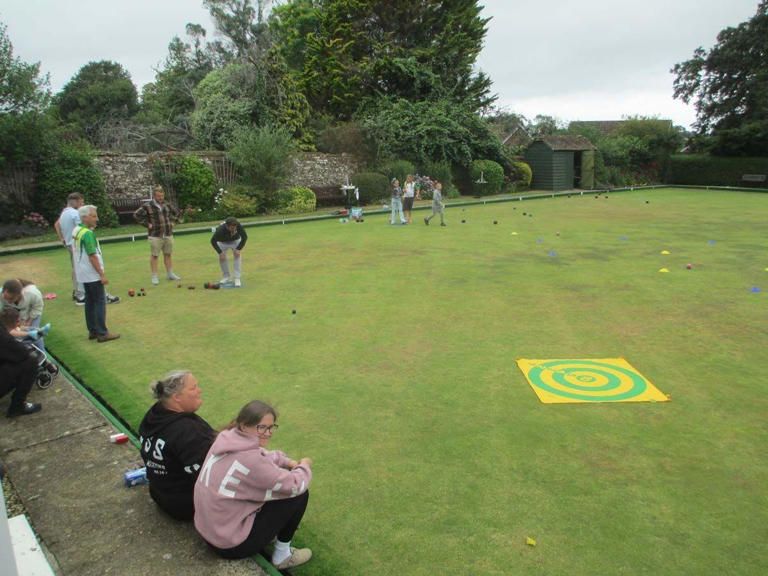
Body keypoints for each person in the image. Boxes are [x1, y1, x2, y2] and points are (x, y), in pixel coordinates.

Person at [194, 400, 313, 570]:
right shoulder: (251, 460)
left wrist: (286, 461)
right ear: (244, 425)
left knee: (273, 492)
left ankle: (268, 536)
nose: (268, 433)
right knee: (299, 495)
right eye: (261, 427)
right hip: (229, 545)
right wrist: (304, 465)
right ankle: (282, 556)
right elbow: (295, 484)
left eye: (271, 427)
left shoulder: (225, 439)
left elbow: (261, 455)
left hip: (208, 530)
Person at [138, 370, 215, 521]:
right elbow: (209, 476)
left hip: (160, 494)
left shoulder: (154, 414)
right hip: (186, 505)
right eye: (193, 388)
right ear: (177, 397)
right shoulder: (187, 431)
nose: (200, 391)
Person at [55, 193, 120, 305]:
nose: (83, 205)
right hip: (80, 244)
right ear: (75, 202)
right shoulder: (76, 214)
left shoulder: (64, 213)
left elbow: (56, 225)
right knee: (88, 269)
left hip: (72, 243)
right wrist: (102, 274)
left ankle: (78, 293)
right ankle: (85, 295)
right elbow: (85, 230)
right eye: (81, 202)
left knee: (77, 268)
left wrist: (62, 238)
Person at [73, 205, 119, 342]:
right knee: (99, 301)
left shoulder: (76, 230)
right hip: (91, 273)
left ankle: (92, 330)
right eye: (93, 216)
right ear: (85, 217)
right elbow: (92, 255)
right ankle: (102, 333)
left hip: (82, 272)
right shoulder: (87, 234)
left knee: (90, 301)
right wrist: (101, 274)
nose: (96, 219)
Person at [1, 279, 58, 378]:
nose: (8, 301)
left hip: (30, 314)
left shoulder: (32, 293)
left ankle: (44, 359)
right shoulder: (2, 296)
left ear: (19, 295)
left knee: (34, 338)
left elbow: (37, 307)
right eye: (6, 298)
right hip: (11, 318)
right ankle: (32, 335)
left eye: (11, 299)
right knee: (16, 334)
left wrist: (29, 320)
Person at [134, 186, 182, 286]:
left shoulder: (167, 204)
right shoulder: (148, 206)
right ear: (154, 196)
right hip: (155, 235)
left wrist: (173, 222)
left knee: (168, 254)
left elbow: (177, 212)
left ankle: (170, 274)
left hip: (168, 233)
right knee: (155, 255)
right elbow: (136, 215)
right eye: (159, 196)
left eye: (162, 195)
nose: (161, 198)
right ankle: (154, 276)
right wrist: (147, 224)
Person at [0, 305, 42, 417]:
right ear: (17, 323)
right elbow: (22, 353)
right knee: (31, 362)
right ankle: (17, 406)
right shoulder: (4, 337)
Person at [210, 217, 248, 287]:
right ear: (227, 226)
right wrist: (220, 253)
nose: (234, 229)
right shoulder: (220, 230)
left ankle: (237, 278)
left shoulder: (238, 225)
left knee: (237, 256)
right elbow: (213, 241)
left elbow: (244, 237)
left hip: (235, 241)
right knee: (222, 258)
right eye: (232, 228)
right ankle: (226, 277)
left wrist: (238, 249)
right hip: (222, 242)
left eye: (235, 228)